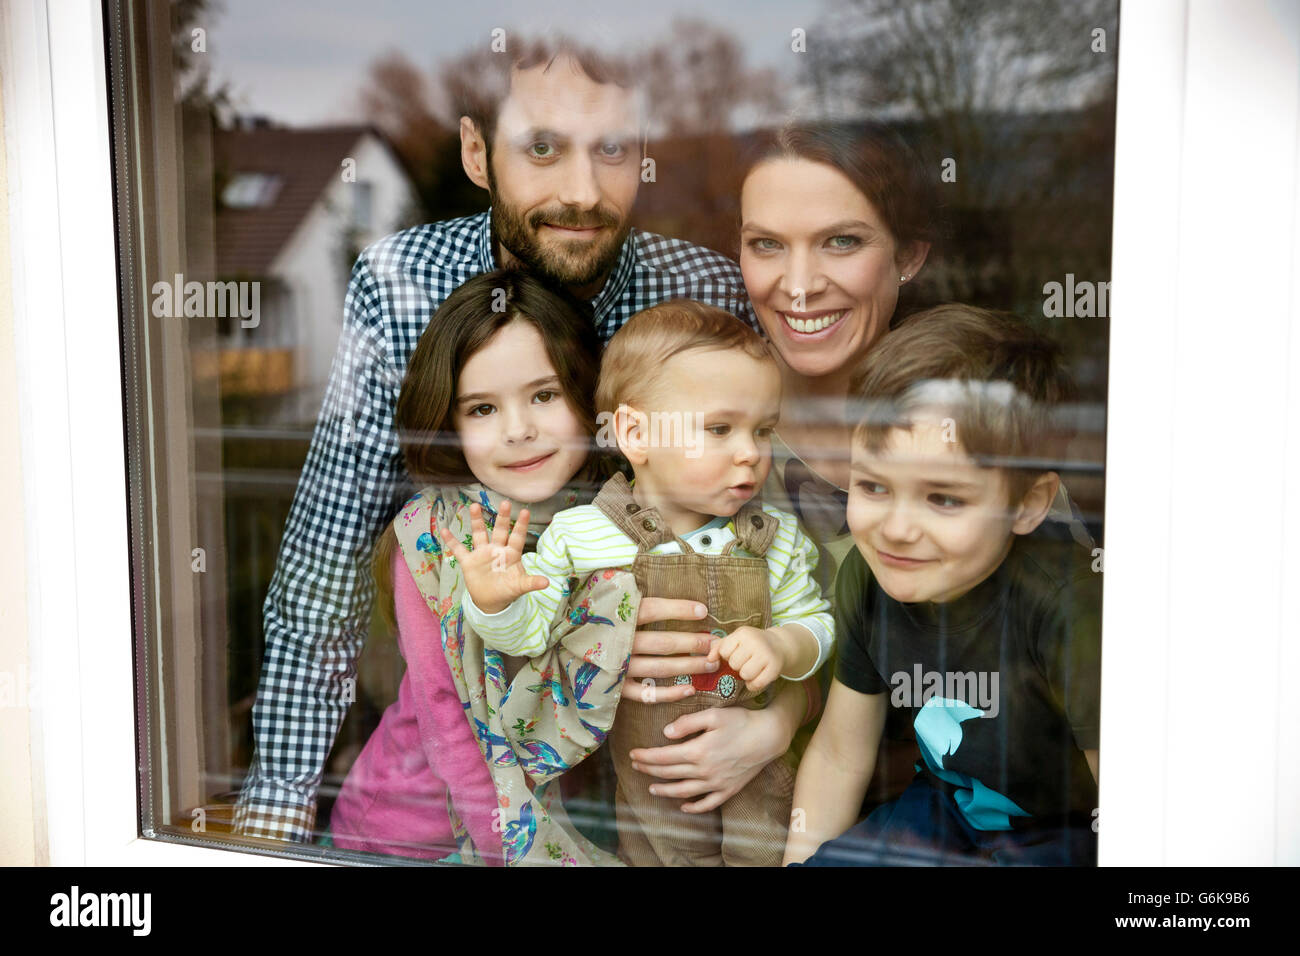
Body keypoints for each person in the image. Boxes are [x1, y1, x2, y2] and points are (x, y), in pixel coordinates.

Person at [234, 35, 787, 843]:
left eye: (611, 150)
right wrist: (271, 827)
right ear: (476, 152)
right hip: (460, 776)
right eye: (541, 147)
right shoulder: (403, 285)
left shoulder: (702, 291)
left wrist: (775, 717)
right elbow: (327, 566)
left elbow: (778, 545)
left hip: (651, 779)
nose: (581, 190)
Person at [446, 301, 833, 865]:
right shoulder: (580, 538)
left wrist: (784, 643)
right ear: (634, 433)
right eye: (720, 429)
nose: (751, 452)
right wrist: (494, 601)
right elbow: (532, 638)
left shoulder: (775, 539)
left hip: (759, 779)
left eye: (763, 429)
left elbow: (819, 626)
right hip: (646, 791)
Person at [327, 270, 637, 865]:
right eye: (483, 408)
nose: (519, 430)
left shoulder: (611, 522)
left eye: (544, 395)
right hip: (410, 829)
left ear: (584, 394)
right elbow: (448, 719)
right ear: (449, 424)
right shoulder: (430, 537)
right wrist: (508, 850)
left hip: (557, 816)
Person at [784, 304, 1101, 867]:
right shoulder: (868, 575)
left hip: (1062, 829)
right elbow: (839, 755)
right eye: (874, 487)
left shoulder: (1065, 607)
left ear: (1028, 504)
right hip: (945, 805)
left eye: (944, 498)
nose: (898, 530)